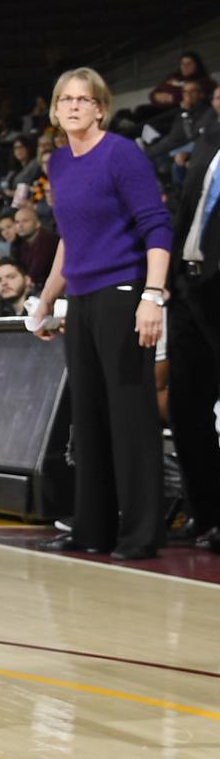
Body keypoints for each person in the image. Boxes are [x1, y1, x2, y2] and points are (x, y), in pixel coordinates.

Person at [26, 67, 173, 561]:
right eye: (64, 99)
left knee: (130, 417)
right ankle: (92, 528)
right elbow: (70, 237)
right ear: (55, 109)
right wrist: (46, 300)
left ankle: (141, 533)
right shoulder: (59, 164)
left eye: (82, 100)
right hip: (82, 298)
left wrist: (153, 295)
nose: (72, 106)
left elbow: (155, 225)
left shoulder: (121, 154)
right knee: (86, 418)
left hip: (125, 291)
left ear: (100, 108)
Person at [168, 122, 220, 548]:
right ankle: (203, 511)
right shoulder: (208, 140)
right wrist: (169, 280)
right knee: (186, 407)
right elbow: (186, 207)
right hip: (189, 286)